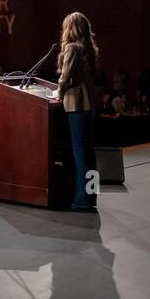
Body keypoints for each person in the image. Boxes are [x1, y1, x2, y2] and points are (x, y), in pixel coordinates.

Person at [56, 11, 99, 212]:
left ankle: (81, 200)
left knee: (80, 153)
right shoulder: (89, 49)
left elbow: (66, 77)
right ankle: (91, 196)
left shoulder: (72, 48)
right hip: (89, 103)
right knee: (89, 153)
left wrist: (59, 91)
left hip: (76, 104)